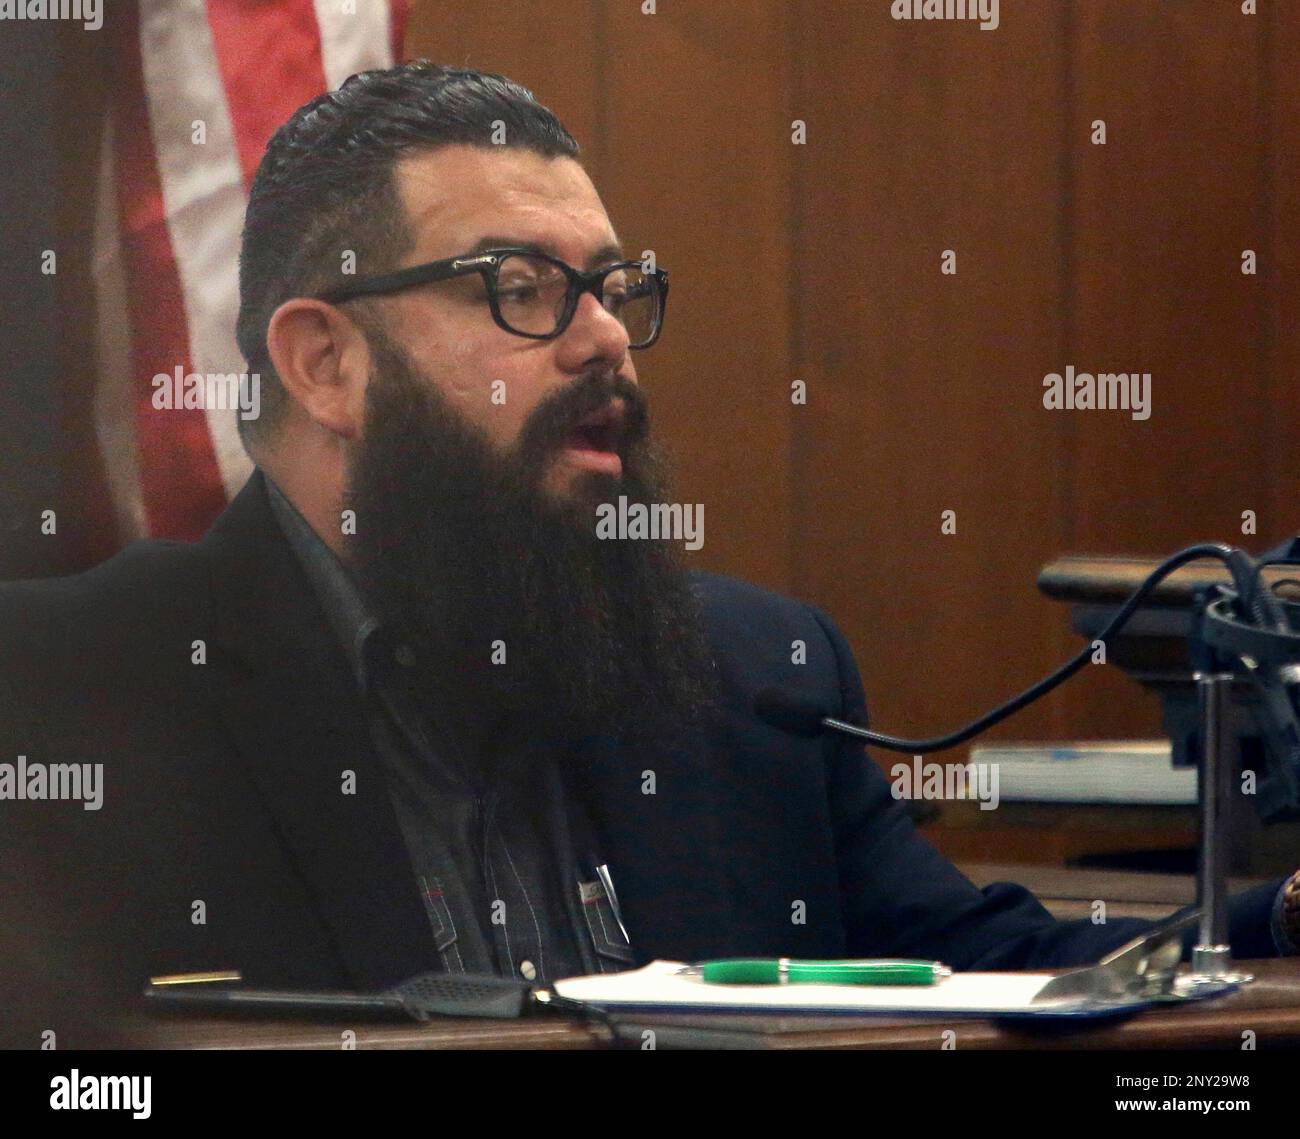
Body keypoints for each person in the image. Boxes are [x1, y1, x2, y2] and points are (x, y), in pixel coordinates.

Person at [1, 62, 1294, 1041]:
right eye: (522, 288)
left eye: (614, 289)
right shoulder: (74, 693)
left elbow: (996, 964)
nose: (605, 340)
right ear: (326, 362)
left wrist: (1280, 919)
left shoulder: (751, 674)